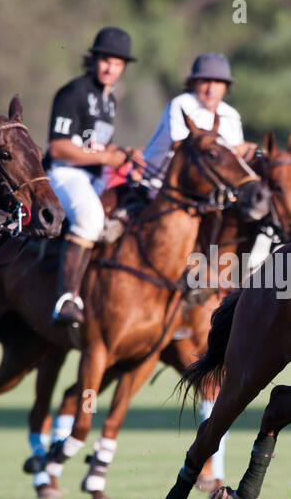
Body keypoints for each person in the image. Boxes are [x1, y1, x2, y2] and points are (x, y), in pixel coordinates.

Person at [45, 27, 146, 326]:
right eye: (105, 60)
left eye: (117, 63)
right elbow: (59, 147)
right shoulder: (73, 92)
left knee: (137, 202)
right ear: (93, 59)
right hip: (65, 173)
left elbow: (98, 145)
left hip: (95, 177)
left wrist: (125, 152)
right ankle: (66, 299)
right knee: (90, 219)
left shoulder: (108, 99)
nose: (110, 68)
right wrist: (105, 157)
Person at [141, 52, 257, 180]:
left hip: (202, 187)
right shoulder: (182, 104)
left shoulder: (231, 115)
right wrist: (236, 150)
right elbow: (182, 147)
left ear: (226, 87)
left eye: (218, 82)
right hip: (154, 181)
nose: (211, 89)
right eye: (205, 81)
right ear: (193, 83)